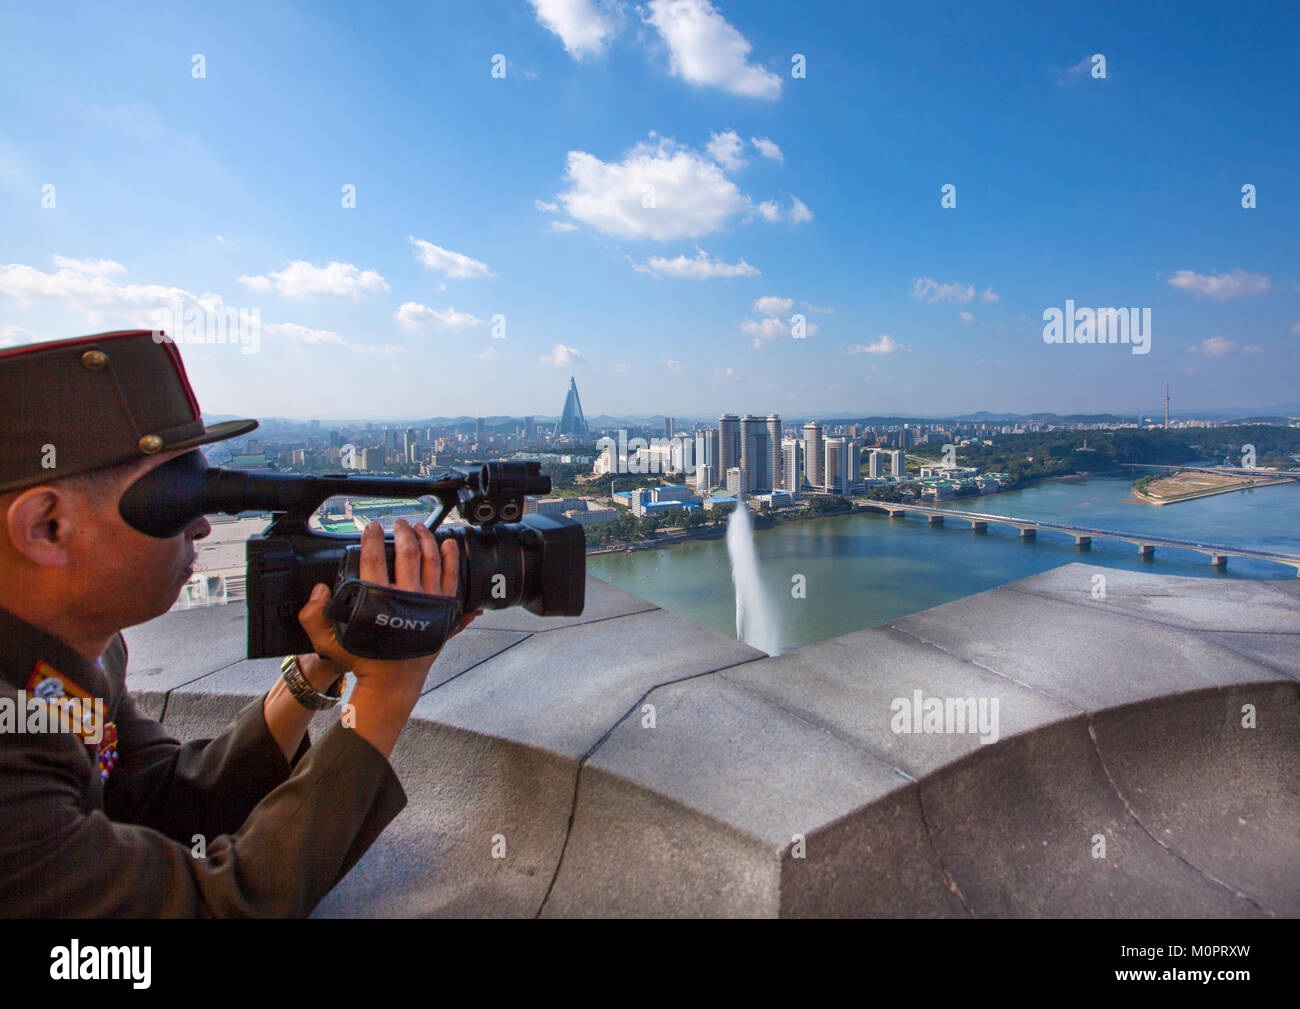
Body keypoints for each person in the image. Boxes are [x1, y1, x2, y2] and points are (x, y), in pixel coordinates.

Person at [0, 330, 477, 916]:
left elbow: (167, 800)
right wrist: (387, 688)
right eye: (176, 499)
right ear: (46, 527)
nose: (201, 526)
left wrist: (323, 663)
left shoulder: (83, 653)